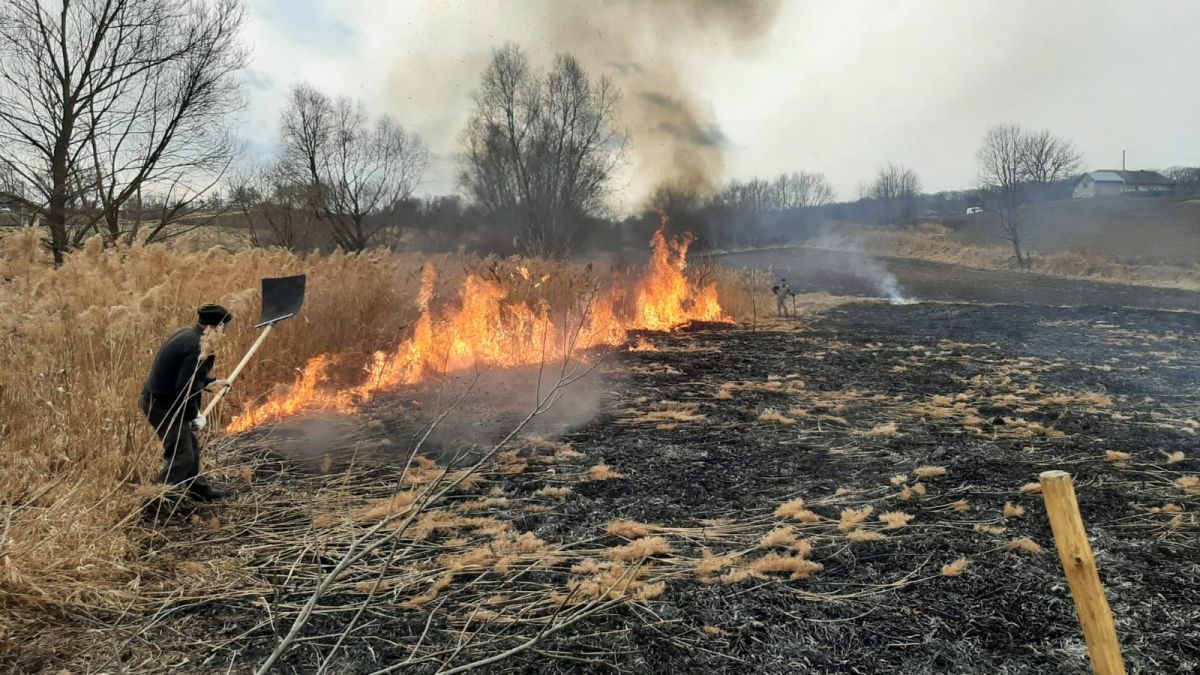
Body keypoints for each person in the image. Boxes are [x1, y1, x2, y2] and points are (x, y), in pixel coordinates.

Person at [140, 303, 233, 502]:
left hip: (162, 398)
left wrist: (211, 383)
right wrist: (194, 415)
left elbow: (187, 377)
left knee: (190, 445)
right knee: (182, 457)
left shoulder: (189, 335)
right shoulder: (196, 347)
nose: (224, 332)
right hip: (162, 406)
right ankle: (154, 504)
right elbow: (185, 388)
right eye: (223, 328)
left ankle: (199, 490)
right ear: (216, 327)